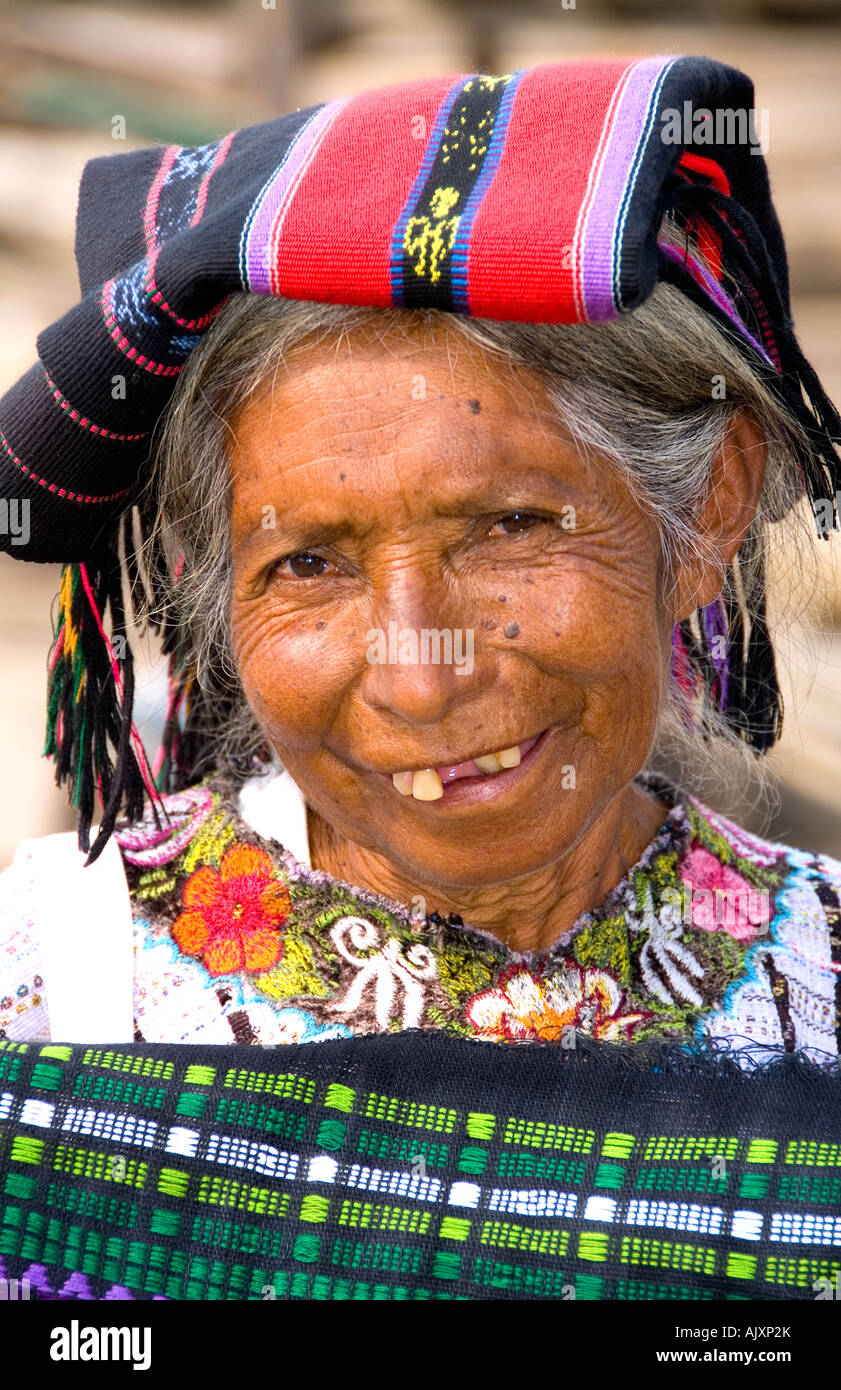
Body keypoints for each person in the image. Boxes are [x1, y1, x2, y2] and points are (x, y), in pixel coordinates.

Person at [0, 56, 839, 1062]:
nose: (421, 679)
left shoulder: (820, 976)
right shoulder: (61, 989)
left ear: (707, 509)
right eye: (309, 563)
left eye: (512, 527)